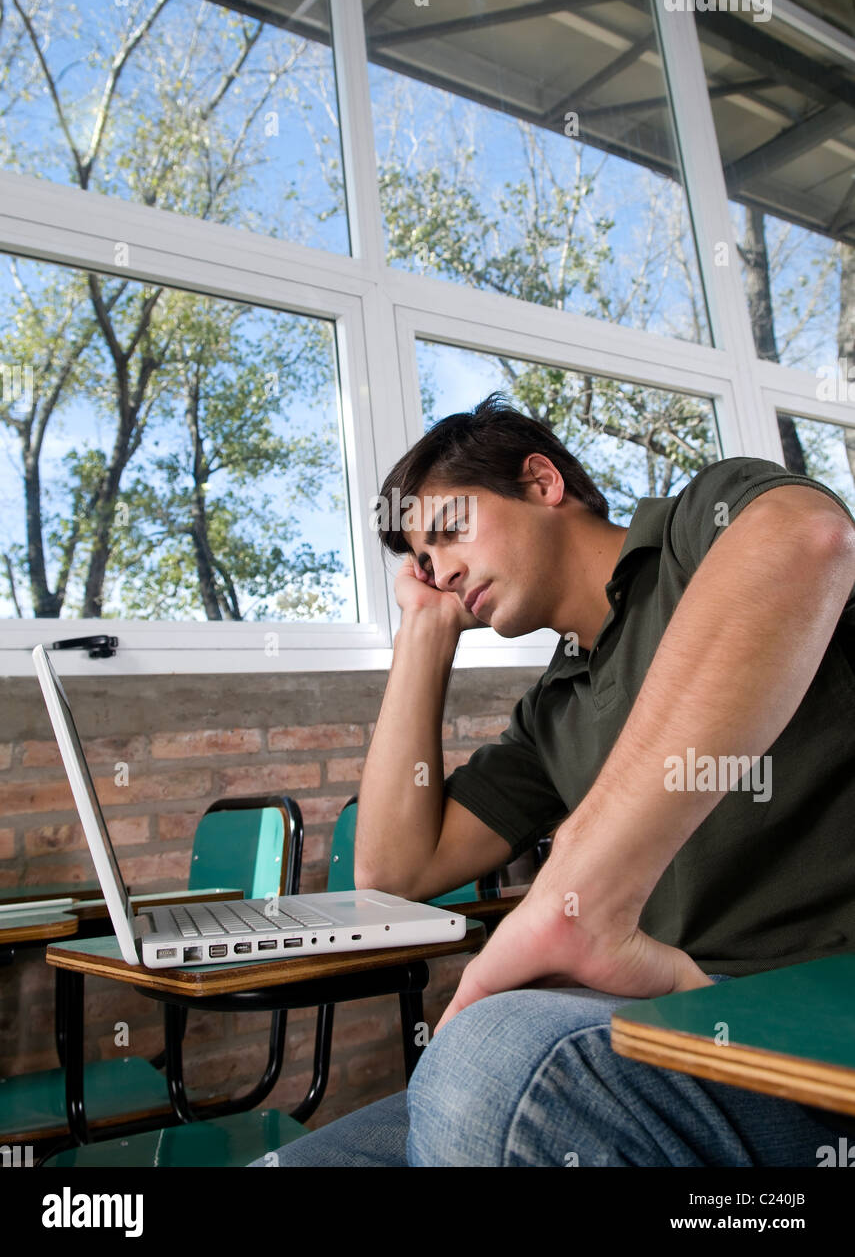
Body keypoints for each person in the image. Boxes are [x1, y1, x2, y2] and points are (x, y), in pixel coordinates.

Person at [251, 392, 855, 1167]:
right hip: (668, 1025)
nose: (443, 571)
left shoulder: (698, 528)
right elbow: (394, 869)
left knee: (486, 1063)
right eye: (424, 565)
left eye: (449, 532)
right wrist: (424, 633)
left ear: (541, 483)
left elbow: (805, 536)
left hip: (812, 1026)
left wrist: (582, 889)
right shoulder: (552, 709)